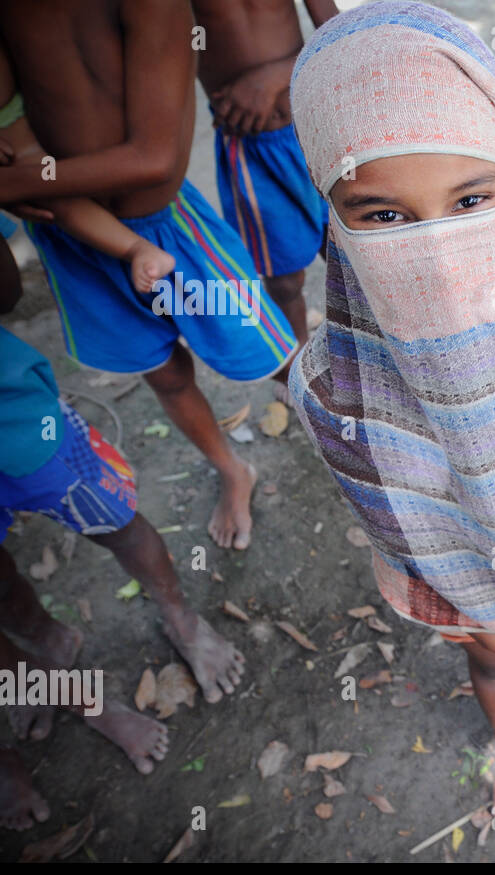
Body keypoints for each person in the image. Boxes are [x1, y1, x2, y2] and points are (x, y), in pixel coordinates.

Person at [289, 2, 495, 835]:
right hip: (469, 582)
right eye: (384, 216)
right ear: (332, 210)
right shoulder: (340, 383)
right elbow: (397, 505)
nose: (438, 251)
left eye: (472, 197)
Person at [0, 0, 298, 551]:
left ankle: (349, 433)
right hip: (73, 244)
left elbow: (154, 160)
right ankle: (233, 469)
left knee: (271, 351)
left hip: (170, 231)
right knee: (163, 374)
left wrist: (18, 185)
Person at [0, 228, 239, 779]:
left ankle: (182, 621)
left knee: (114, 520)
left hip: (14, 423)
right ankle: (54, 664)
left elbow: (5, 289)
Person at [191, 0, 339, 399]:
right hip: (251, 151)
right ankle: (304, 377)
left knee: (349, 251)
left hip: (315, 124)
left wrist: (278, 73)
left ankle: (382, 346)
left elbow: (339, 33)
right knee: (283, 275)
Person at [0, 46, 174, 294]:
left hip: (23, 136)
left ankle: (136, 248)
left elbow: (155, 163)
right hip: (23, 146)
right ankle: (136, 248)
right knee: (55, 202)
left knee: (56, 198)